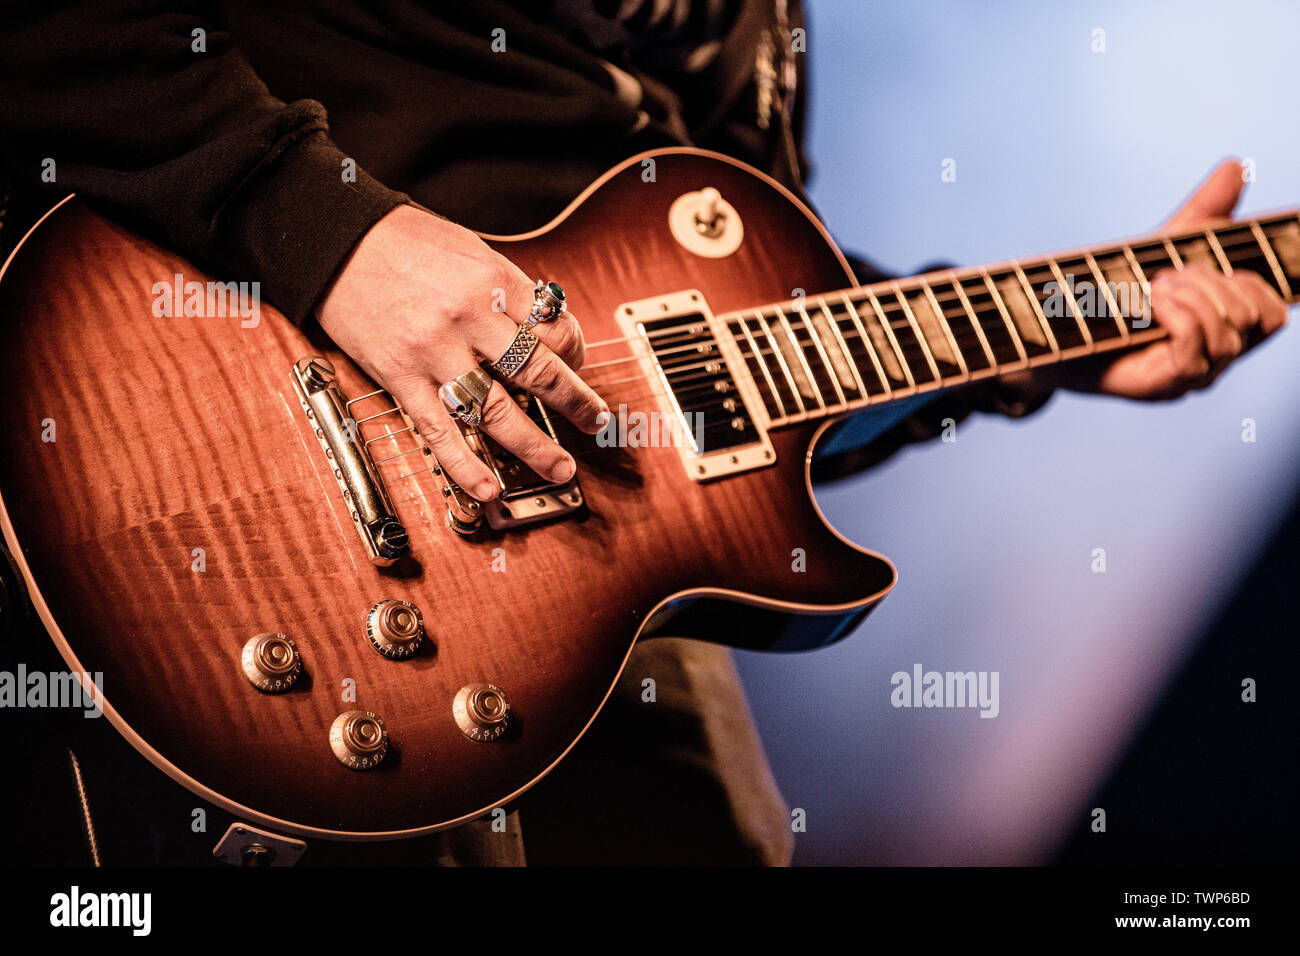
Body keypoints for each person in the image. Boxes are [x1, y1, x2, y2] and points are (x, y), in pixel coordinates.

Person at [0, 1, 1287, 866]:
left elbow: (725, 364)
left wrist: (1055, 344)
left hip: (601, 625)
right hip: (222, 405)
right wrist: (328, 234)